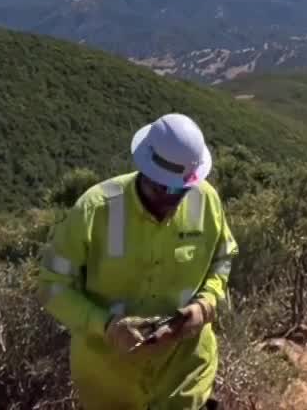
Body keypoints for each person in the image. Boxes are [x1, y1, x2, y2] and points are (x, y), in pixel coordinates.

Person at [37, 113, 238, 410]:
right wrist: (106, 326)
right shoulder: (95, 209)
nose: (173, 198)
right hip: (109, 384)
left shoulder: (206, 200)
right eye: (165, 188)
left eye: (182, 189)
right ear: (145, 171)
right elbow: (52, 287)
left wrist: (205, 305)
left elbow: (223, 259)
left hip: (183, 377)